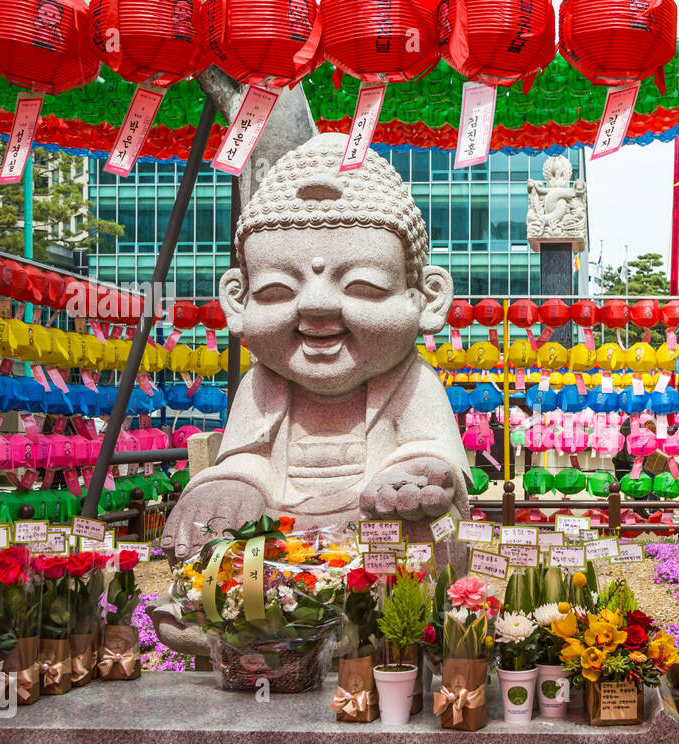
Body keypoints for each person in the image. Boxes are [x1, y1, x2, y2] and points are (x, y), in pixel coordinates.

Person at [162, 135, 469, 563]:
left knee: (431, 527)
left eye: (363, 286)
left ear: (428, 299)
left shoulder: (413, 382)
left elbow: (431, 452)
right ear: (237, 301)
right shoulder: (262, 382)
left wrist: (410, 478)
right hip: (279, 537)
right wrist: (231, 486)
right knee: (215, 539)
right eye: (277, 290)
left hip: (375, 530)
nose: (316, 305)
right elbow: (248, 458)